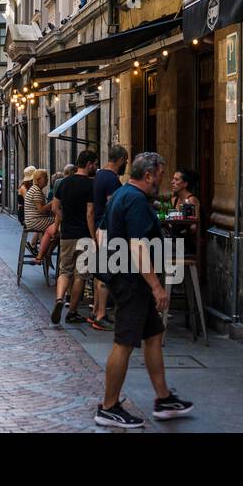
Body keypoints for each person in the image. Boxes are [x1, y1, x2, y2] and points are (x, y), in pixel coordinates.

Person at [95, 152, 194, 428]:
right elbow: (137, 246)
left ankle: (163, 398)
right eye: (160, 175)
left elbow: (102, 233)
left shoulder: (121, 194)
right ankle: (108, 407)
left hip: (126, 277)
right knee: (124, 342)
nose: (162, 180)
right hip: (131, 281)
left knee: (153, 334)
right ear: (148, 175)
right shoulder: (136, 200)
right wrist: (156, 286)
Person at [47, 150, 98, 326]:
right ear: (89, 164)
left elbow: (55, 207)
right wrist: (93, 237)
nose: (95, 167)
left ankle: (59, 298)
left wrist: (65, 219)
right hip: (84, 235)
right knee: (80, 275)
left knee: (65, 270)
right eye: (95, 164)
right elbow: (90, 213)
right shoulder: (90, 185)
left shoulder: (63, 183)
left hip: (67, 234)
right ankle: (72, 312)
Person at [88, 145, 129, 330]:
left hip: (99, 227)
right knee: (106, 272)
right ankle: (101, 315)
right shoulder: (112, 179)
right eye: (125, 161)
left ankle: (96, 311)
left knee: (100, 272)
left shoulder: (99, 175)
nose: (126, 164)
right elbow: (113, 206)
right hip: (107, 229)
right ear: (120, 160)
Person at [22, 169, 54, 261]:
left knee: (55, 223)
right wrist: (52, 203)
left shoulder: (35, 189)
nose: (47, 179)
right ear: (39, 179)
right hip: (35, 221)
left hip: (33, 220)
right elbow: (41, 210)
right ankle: (46, 251)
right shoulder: (36, 191)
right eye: (45, 177)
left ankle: (44, 249)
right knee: (58, 222)